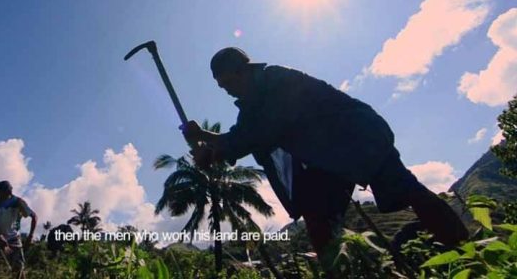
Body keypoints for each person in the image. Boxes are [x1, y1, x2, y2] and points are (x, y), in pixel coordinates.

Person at [181, 48, 469, 260]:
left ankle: (464, 248)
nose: (228, 92)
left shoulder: (277, 82)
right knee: (317, 218)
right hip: (327, 158)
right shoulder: (254, 101)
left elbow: (254, 134)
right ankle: (339, 269)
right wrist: (204, 141)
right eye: (222, 88)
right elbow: (246, 133)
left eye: (228, 83)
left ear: (242, 71)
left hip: (359, 138)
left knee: (408, 191)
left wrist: (209, 146)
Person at [0, 180, 37, 279]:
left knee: (18, 267)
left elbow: (34, 217)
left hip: (14, 239)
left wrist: (30, 236)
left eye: (0, 193)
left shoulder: (18, 203)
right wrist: (0, 237)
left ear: (8, 192)